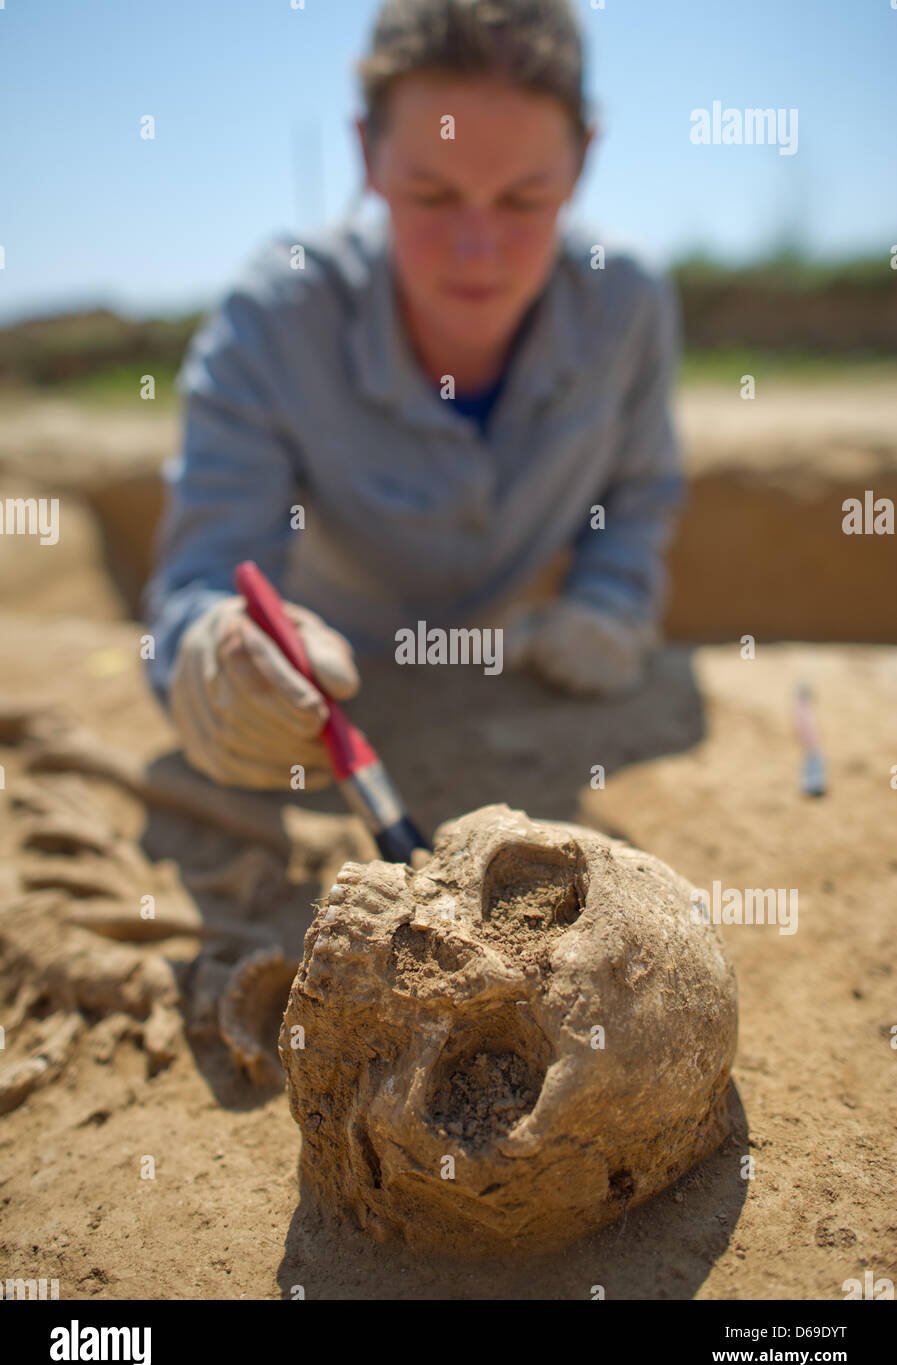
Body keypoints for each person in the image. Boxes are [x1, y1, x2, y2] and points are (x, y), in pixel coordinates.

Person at [143, 0, 685, 792]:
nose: (475, 250)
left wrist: (609, 602)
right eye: (431, 196)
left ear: (584, 160)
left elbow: (641, 489)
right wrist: (217, 662)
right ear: (365, 153)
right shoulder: (276, 318)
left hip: (512, 684)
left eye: (522, 201)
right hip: (335, 692)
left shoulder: (626, 302)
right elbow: (203, 579)